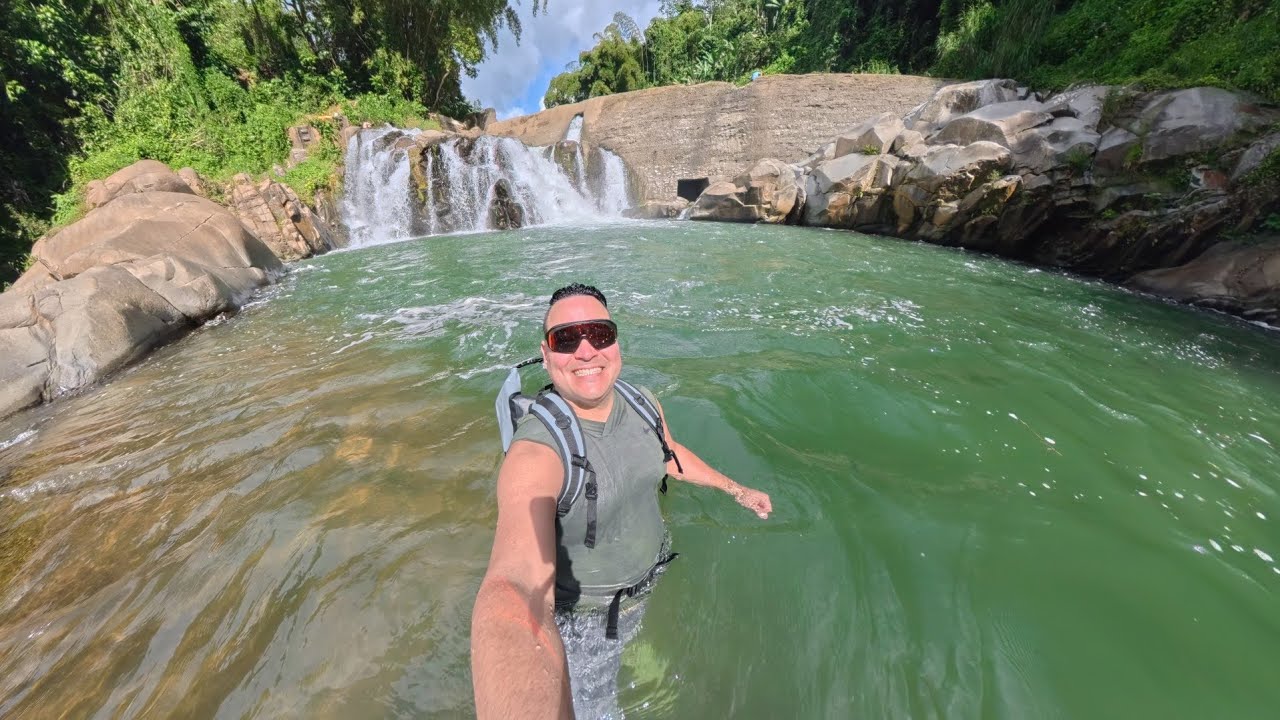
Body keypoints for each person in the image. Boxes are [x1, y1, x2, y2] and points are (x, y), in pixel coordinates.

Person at [471, 283, 772, 719]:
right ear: (546, 352)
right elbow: (515, 588)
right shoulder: (535, 454)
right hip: (591, 622)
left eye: (599, 332)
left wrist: (736, 490)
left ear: (616, 341)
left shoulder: (642, 401)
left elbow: (669, 453)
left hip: (651, 580)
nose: (586, 350)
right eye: (566, 339)